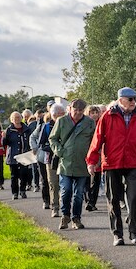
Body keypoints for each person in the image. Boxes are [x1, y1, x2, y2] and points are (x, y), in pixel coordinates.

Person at [87, 87, 136, 247]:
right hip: (112, 163)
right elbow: (97, 139)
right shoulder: (108, 116)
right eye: (130, 99)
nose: (133, 102)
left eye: (135, 100)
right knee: (114, 199)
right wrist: (91, 160)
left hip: (134, 162)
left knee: (135, 196)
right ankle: (117, 234)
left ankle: (134, 231)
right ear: (121, 99)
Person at [50, 99, 97, 231]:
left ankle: (76, 218)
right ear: (70, 108)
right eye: (75, 110)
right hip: (65, 163)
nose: (77, 113)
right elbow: (52, 139)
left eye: (80, 111)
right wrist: (60, 151)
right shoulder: (62, 121)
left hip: (82, 164)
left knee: (78, 194)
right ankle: (65, 216)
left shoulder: (89, 123)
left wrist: (93, 159)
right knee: (65, 191)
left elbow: (94, 141)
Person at [37, 104, 66, 216]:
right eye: (60, 114)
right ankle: (55, 207)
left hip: (65, 159)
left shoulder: (68, 125)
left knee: (65, 185)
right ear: (53, 114)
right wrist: (55, 148)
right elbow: (41, 144)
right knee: (53, 183)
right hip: (51, 159)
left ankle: (65, 208)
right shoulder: (47, 126)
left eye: (63, 113)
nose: (62, 116)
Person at [3, 111, 32, 200]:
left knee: (24, 174)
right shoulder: (9, 130)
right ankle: (14, 193)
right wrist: (4, 137)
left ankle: (22, 191)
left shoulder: (26, 129)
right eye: (14, 118)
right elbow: (5, 143)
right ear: (11, 120)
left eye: (18, 117)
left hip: (24, 155)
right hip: (13, 156)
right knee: (14, 176)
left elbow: (30, 140)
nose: (17, 119)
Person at [84, 105, 103, 211]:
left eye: (96, 112)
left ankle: (92, 202)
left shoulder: (101, 123)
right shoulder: (85, 125)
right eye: (92, 112)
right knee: (86, 180)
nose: (95, 114)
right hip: (86, 155)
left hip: (98, 155)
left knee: (96, 180)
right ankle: (87, 200)